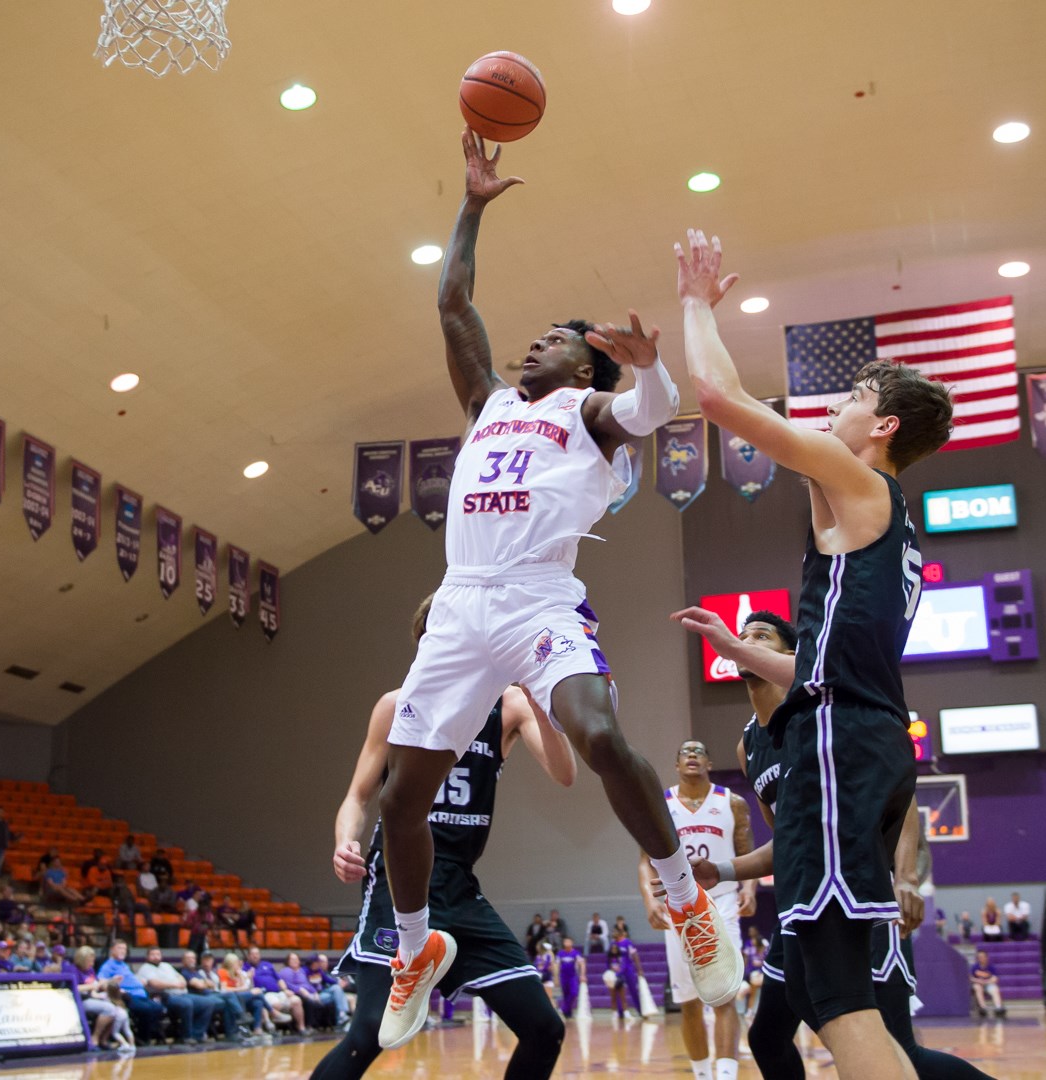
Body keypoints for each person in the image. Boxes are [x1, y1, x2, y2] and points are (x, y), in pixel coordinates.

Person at [372, 130, 731, 1051]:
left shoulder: (588, 412)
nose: (535, 344)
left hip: (539, 599)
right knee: (400, 800)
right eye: (535, 338)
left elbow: (653, 411)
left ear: (583, 367)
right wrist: (471, 205)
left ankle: (686, 902)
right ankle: (415, 950)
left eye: (557, 341)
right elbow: (453, 303)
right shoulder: (491, 404)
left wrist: (647, 365)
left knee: (599, 734)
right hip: (460, 603)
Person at [669, 230, 956, 1080]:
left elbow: (717, 398)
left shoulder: (863, 483)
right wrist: (739, 649)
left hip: (840, 748)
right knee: (836, 995)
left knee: (835, 1000)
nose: (838, 403)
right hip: (865, 740)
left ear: (885, 426)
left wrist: (695, 305)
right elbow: (823, 666)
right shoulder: (872, 515)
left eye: (856, 395)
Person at [688, 612, 990, 1080]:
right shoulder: (749, 746)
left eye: (761, 636)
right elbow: (788, 841)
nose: (746, 640)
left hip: (857, 890)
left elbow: (899, 793)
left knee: (894, 1048)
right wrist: (723, 871)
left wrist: (907, 876)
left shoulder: (821, 712)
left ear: (792, 656)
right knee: (769, 1036)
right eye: (742, 635)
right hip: (803, 898)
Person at [317, 595, 577, 1079]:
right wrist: (344, 841)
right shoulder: (396, 705)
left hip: (459, 885)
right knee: (368, 1032)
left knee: (545, 1028)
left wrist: (541, 701)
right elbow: (356, 797)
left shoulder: (509, 705)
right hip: (397, 880)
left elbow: (565, 774)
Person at [639, 739, 756, 1080]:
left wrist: (750, 889)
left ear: (709, 763)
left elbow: (746, 852)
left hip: (723, 901)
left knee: (725, 993)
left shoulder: (732, 802)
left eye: (699, 751)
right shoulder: (660, 804)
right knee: (688, 1001)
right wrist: (649, 899)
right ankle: (702, 1074)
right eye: (685, 753)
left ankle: (726, 1075)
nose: (692, 755)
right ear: (677, 765)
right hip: (679, 905)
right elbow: (645, 861)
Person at [99, 941, 169, 1042]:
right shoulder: (108, 966)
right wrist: (113, 982)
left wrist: (139, 981)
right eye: (119, 948)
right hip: (128, 996)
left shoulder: (124, 965)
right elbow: (102, 983)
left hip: (141, 994)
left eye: (124, 949)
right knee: (146, 1009)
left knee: (158, 1008)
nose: (123, 951)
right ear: (112, 950)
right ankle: (143, 1037)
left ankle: (154, 1035)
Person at [73, 945, 133, 1052]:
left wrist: (111, 981)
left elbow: (98, 985)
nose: (92, 964)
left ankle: (104, 1039)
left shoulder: (90, 970)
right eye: (90, 961)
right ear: (82, 960)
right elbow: (75, 988)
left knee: (117, 1009)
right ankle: (95, 1038)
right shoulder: (73, 970)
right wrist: (92, 986)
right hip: (81, 1000)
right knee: (109, 1008)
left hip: (94, 996)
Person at [219, 953, 273, 1042]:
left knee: (258, 1002)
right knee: (257, 993)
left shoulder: (235, 974)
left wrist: (240, 975)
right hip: (230, 996)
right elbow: (224, 989)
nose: (238, 964)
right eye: (236, 962)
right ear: (231, 963)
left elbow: (244, 987)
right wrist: (241, 989)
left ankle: (257, 1029)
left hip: (238, 996)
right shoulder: (223, 972)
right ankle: (273, 1012)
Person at [969, 952, 1004, 1017]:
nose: (981, 958)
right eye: (979, 957)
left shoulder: (991, 967)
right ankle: (983, 1007)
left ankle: (998, 1007)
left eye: (982, 957)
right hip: (978, 984)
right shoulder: (974, 967)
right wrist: (978, 981)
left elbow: (995, 978)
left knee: (995, 989)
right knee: (977, 987)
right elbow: (970, 978)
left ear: (986, 957)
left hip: (988, 984)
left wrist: (986, 982)